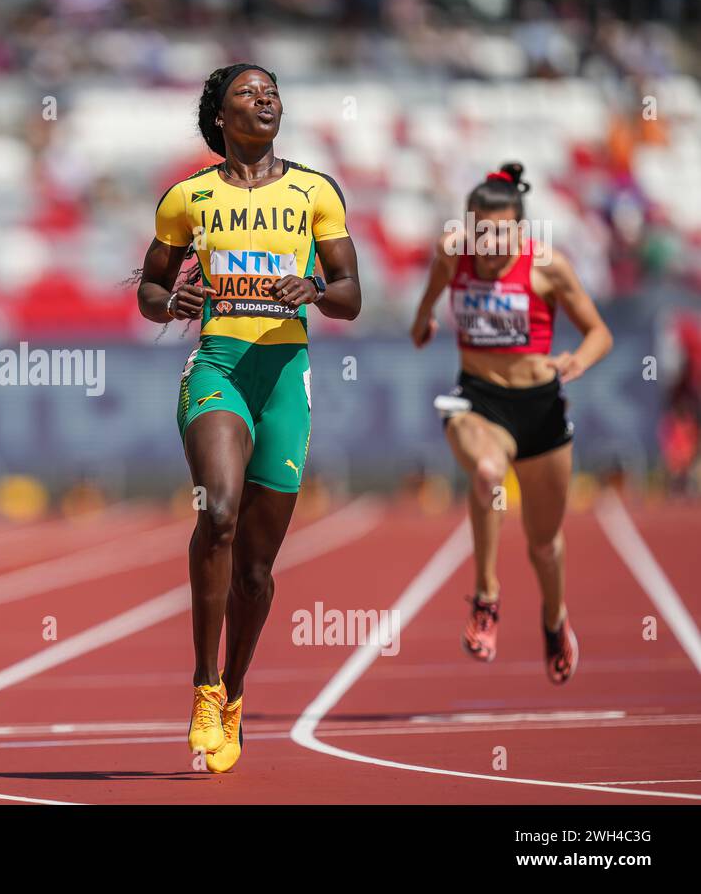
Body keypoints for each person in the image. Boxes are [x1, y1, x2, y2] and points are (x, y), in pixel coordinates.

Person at [136, 64, 361, 773]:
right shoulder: (187, 198)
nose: (264, 98)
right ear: (221, 118)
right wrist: (170, 301)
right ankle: (204, 685)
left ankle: (235, 692)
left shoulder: (316, 191)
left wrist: (318, 288)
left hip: (285, 376)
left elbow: (353, 295)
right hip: (220, 369)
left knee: (257, 571)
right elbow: (147, 286)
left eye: (271, 91)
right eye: (248, 93)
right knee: (221, 511)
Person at [410, 162, 613, 684]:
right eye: (482, 231)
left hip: (540, 410)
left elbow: (598, 333)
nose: (492, 243)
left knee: (544, 544)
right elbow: (431, 293)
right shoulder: (453, 255)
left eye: (502, 232)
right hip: (479, 401)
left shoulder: (549, 266)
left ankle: (553, 620)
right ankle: (486, 596)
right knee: (485, 471)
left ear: (521, 231)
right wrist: (424, 319)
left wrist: (577, 361)